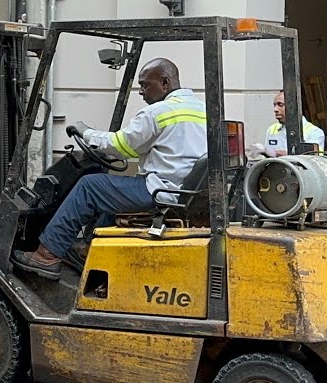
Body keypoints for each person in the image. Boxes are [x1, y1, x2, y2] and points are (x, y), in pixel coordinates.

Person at [12, 58, 208, 280]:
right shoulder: (203, 110)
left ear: (164, 82)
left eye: (145, 85)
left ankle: (47, 255)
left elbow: (120, 145)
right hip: (183, 192)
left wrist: (86, 132)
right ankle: (90, 249)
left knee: (89, 187)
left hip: (160, 191)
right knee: (110, 192)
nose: (141, 91)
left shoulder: (159, 113)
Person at [263, 91, 325, 156]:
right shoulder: (271, 130)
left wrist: (274, 153)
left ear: (294, 107)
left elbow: (311, 157)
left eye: (280, 105)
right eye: (274, 105)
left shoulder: (314, 132)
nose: (275, 109)